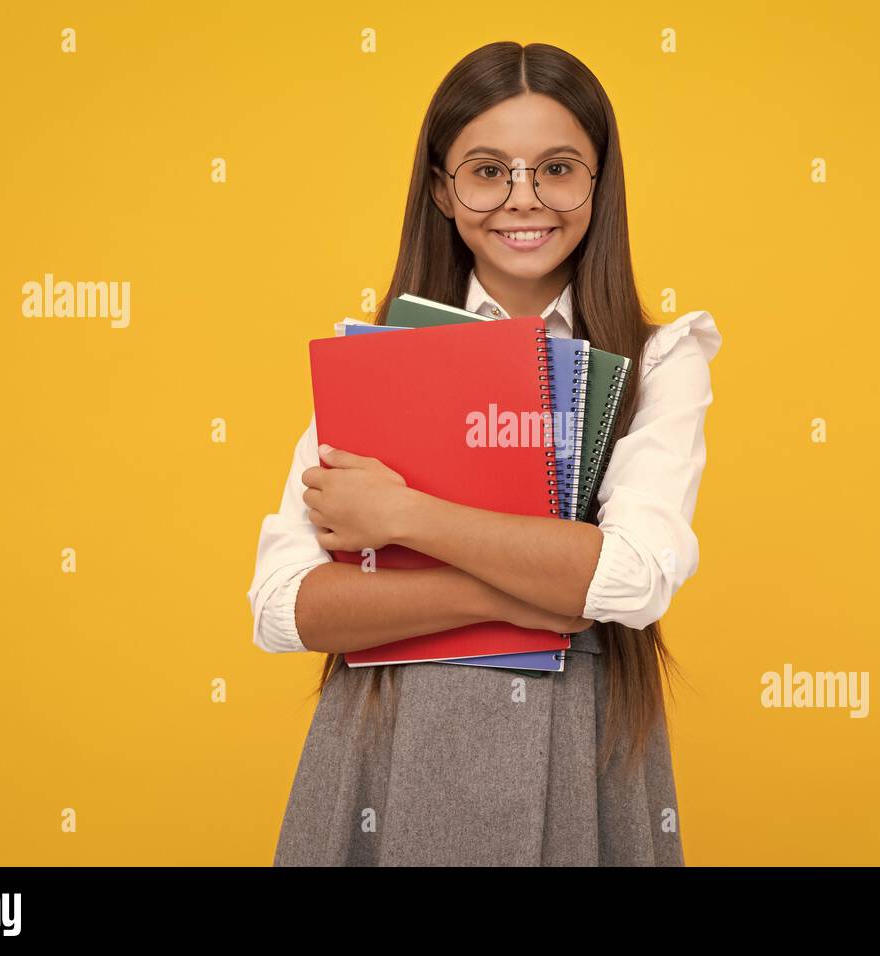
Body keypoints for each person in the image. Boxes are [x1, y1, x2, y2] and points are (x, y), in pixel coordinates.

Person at [247, 40, 720, 866]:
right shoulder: (376, 358)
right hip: (388, 748)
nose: (523, 198)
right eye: (488, 170)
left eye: (559, 169)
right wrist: (528, 591)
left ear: (599, 183)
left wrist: (404, 515)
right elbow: (284, 608)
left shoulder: (662, 358)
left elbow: (630, 578)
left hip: (585, 745)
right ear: (442, 189)